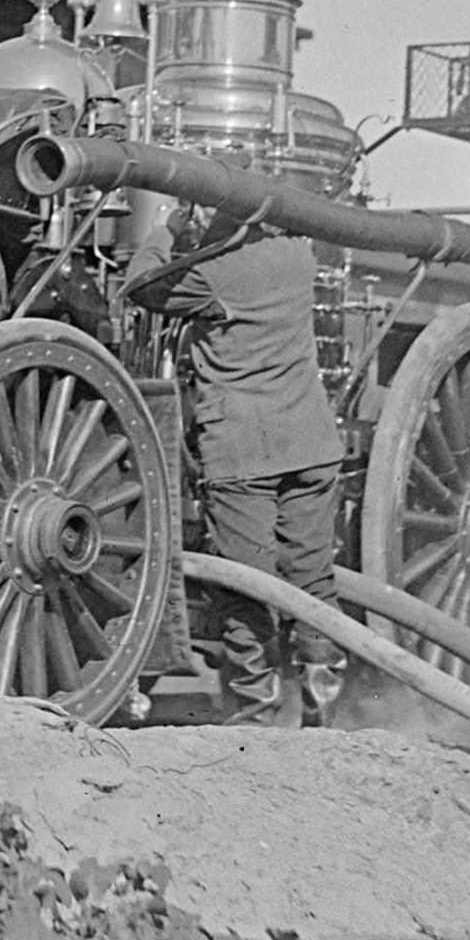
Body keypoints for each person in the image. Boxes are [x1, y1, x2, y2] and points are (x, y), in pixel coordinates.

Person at [130, 207, 348, 726]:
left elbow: (140, 287)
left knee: (246, 591)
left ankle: (254, 720)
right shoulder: (298, 255)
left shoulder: (211, 275)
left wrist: (166, 229)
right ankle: (322, 714)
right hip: (311, 444)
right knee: (312, 583)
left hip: (245, 451)